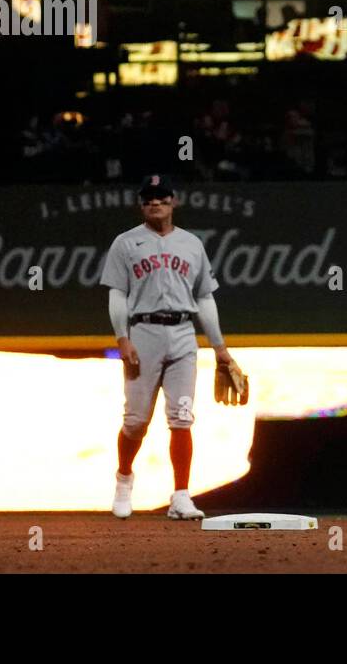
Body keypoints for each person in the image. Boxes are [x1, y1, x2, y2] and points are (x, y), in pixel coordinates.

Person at [100, 174, 247, 520]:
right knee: (136, 421)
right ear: (141, 204)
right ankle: (124, 479)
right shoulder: (126, 243)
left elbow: (205, 297)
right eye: (148, 198)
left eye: (161, 197)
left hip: (183, 332)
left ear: (173, 202)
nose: (155, 202)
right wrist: (122, 337)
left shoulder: (192, 244)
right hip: (144, 332)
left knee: (182, 417)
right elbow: (116, 294)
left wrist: (220, 347)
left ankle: (181, 496)